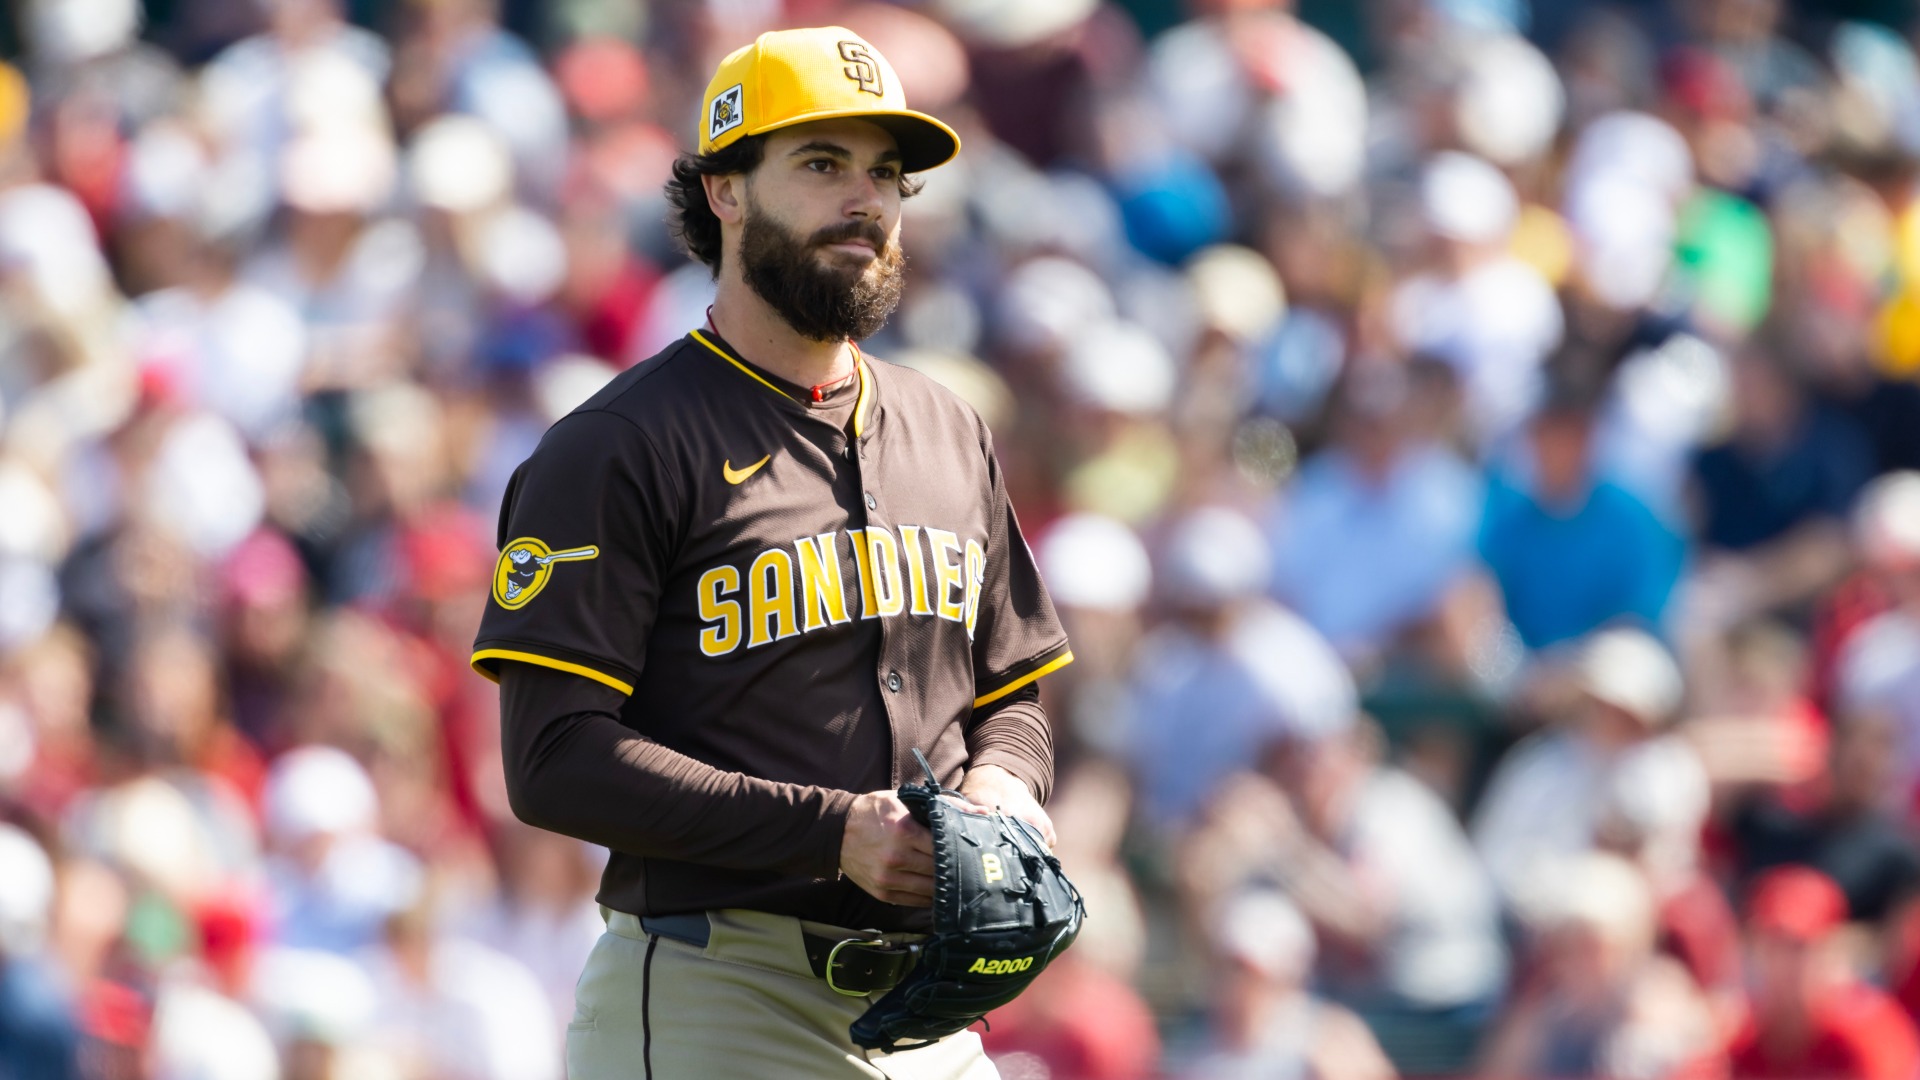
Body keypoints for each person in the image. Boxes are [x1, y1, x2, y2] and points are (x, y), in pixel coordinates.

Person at [470, 27, 1072, 1079]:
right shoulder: (619, 446)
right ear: (725, 192)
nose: (866, 201)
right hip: (720, 991)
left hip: (929, 1008)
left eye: (886, 173)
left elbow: (1011, 688)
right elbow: (551, 760)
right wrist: (832, 832)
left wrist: (1008, 784)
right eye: (823, 163)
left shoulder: (947, 426)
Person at [1728, 865, 1920, 1080]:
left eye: (1799, 949)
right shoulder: (1739, 1038)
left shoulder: (1868, 1030)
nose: (1784, 966)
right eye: (1773, 948)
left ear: (1830, 951)